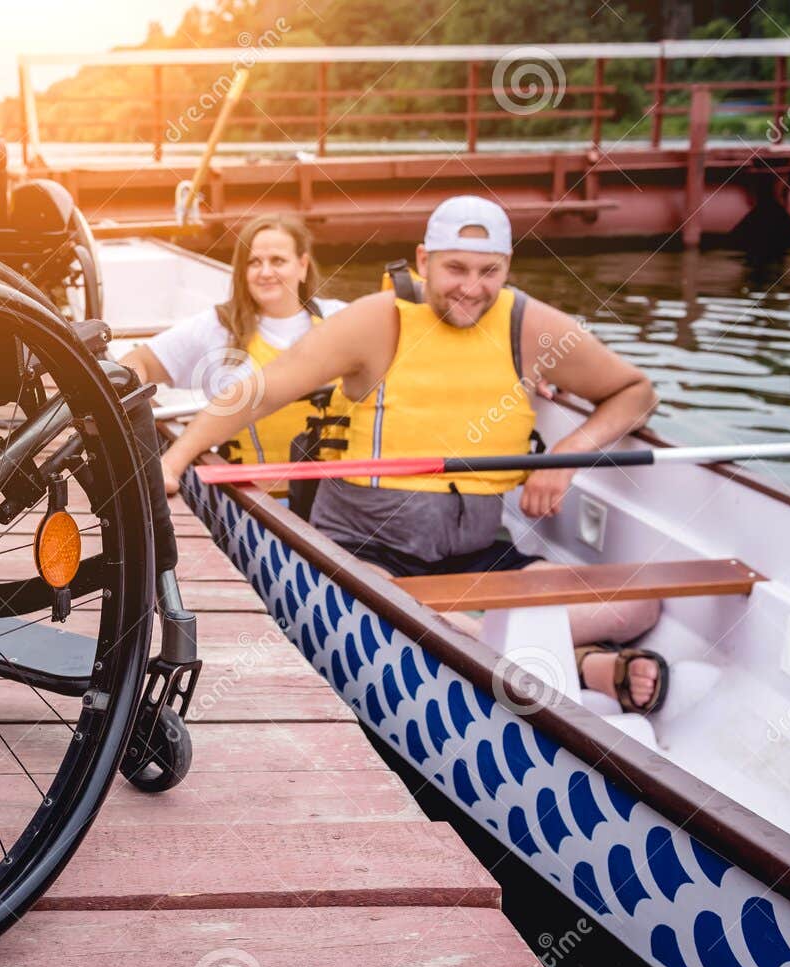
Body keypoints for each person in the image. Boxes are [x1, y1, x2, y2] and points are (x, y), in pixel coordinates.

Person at [158, 196, 669, 714]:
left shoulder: (528, 326)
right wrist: (175, 462)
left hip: (478, 555)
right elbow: (260, 391)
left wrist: (570, 454)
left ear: (508, 268)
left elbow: (636, 391)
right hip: (369, 552)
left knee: (637, 603)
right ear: (424, 261)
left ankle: (530, 649)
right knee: (426, 624)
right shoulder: (377, 321)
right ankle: (576, 664)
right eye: (455, 269)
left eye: (489, 271)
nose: (472, 288)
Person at [123, 215, 348, 465]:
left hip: (332, 489)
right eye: (254, 262)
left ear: (302, 265)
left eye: (278, 261)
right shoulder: (217, 327)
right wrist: (127, 411)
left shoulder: (340, 319)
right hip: (249, 493)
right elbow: (137, 362)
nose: (265, 272)